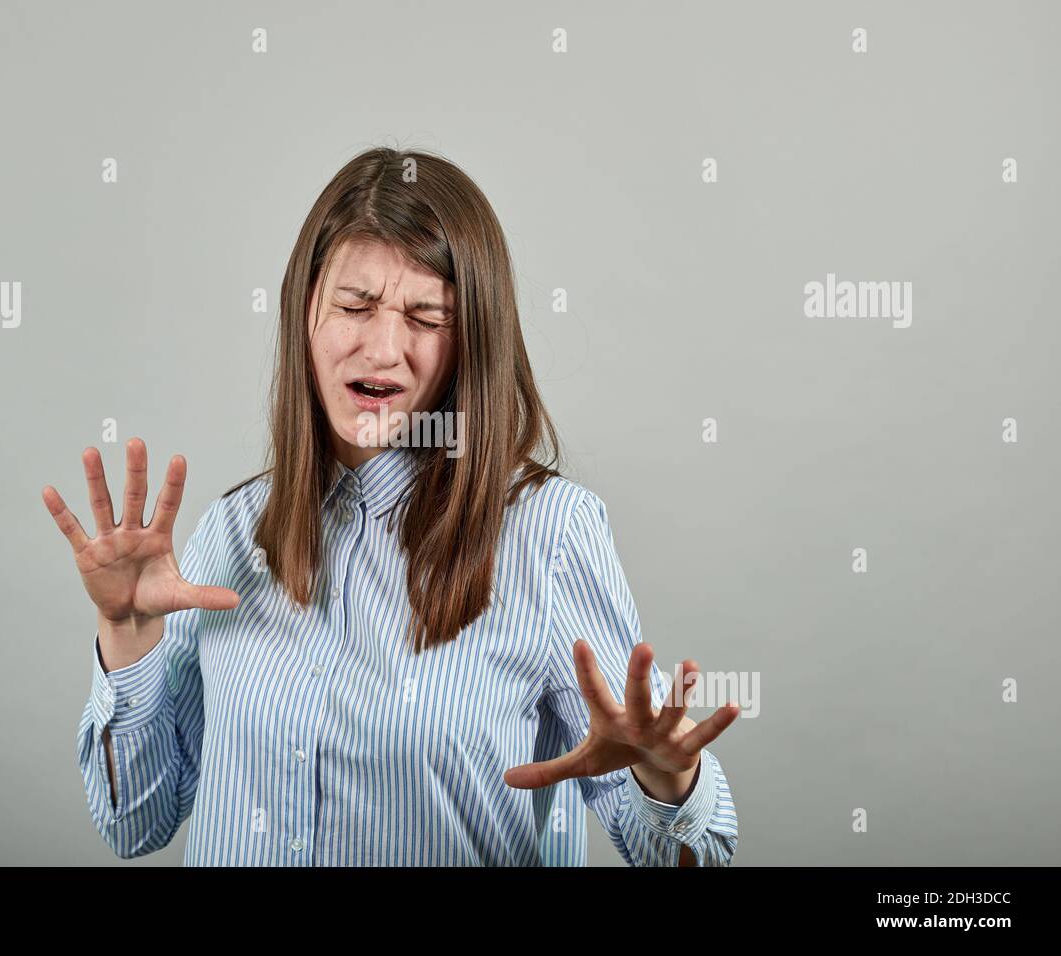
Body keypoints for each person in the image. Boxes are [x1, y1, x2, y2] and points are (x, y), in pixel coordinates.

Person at [42, 147, 739, 866]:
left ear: (471, 342)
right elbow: (134, 824)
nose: (383, 348)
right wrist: (125, 634)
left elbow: (699, 857)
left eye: (425, 317)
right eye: (355, 306)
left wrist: (667, 777)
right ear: (304, 310)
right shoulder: (232, 531)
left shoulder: (549, 534)